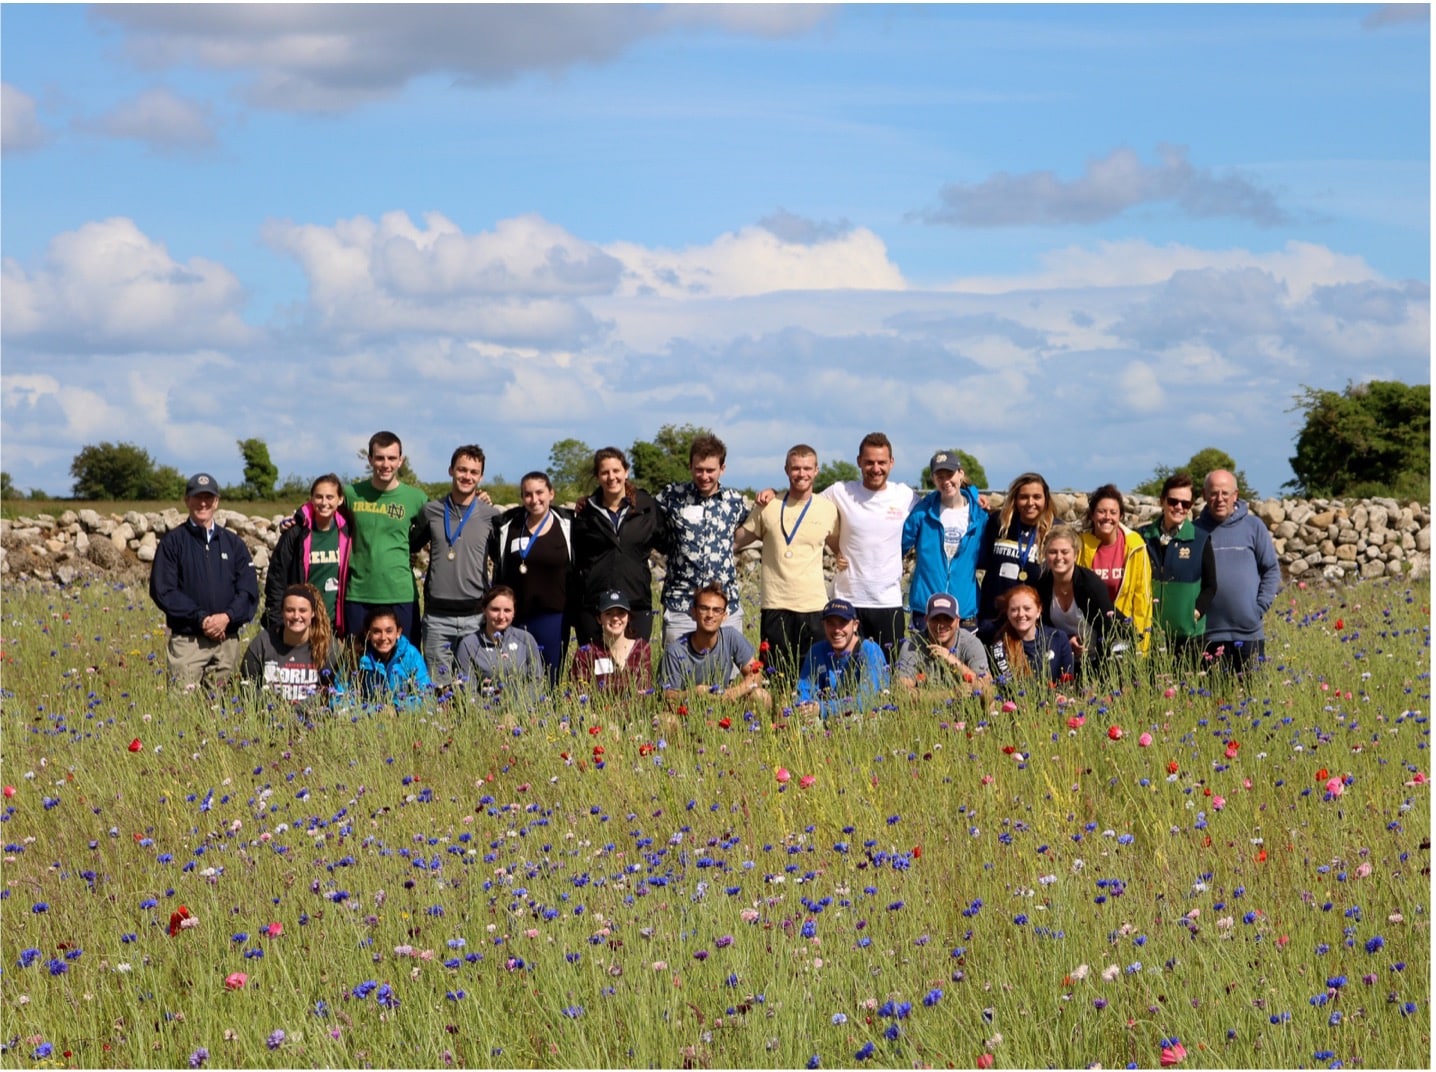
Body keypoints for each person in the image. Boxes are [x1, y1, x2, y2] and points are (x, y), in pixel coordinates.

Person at [734, 444, 841, 683]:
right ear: (786, 469)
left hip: (813, 607)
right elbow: (738, 541)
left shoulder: (828, 509)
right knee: (776, 676)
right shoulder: (768, 506)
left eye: (806, 468)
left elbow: (840, 548)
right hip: (776, 605)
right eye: (795, 468)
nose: (801, 474)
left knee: (815, 679)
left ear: (816, 471)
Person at [149, 472, 259, 690]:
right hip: (188, 642)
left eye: (208, 498)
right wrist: (202, 619)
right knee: (182, 709)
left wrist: (227, 617)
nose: (202, 503)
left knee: (220, 709)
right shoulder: (172, 543)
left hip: (226, 641)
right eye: (197, 497)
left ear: (216, 502)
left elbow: (248, 590)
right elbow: (164, 591)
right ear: (187, 500)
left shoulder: (233, 543)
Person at [817, 432, 918, 658]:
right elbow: (807, 509)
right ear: (859, 462)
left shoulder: (905, 495)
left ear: (891, 463)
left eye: (881, 462)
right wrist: (835, 548)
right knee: (846, 672)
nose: (875, 468)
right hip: (848, 600)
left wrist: (973, 495)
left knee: (888, 672)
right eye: (869, 462)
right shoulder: (840, 491)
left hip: (888, 601)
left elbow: (939, 505)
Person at [412, 445, 503, 684]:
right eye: (462, 470)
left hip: (475, 616)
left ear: (481, 476)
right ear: (451, 470)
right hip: (437, 617)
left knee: (472, 687)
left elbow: (500, 560)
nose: (467, 476)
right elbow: (409, 546)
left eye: (474, 472)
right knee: (438, 688)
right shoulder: (431, 511)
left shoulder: (490, 516)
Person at [654, 434, 752, 648]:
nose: (704, 476)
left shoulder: (735, 501)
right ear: (690, 466)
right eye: (699, 469)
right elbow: (640, 511)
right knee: (677, 675)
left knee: (729, 676)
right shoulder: (672, 496)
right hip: (682, 605)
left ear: (722, 468)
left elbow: (759, 524)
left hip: (725, 608)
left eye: (710, 470)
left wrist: (770, 495)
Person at [572, 447, 669, 645]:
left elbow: (668, 543)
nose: (611, 477)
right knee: (595, 670)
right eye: (605, 472)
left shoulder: (647, 507)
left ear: (626, 472)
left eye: (616, 471)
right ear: (597, 476)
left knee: (635, 669)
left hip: (636, 603)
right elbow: (575, 558)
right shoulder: (585, 511)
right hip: (595, 606)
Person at [343, 432, 428, 648]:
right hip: (359, 592)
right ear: (370, 459)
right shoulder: (351, 494)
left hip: (399, 592)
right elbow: (319, 504)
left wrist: (480, 499)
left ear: (401, 460)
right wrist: (293, 519)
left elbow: (446, 516)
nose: (386, 464)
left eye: (392, 458)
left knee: (404, 660)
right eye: (380, 458)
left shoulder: (416, 498)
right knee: (357, 663)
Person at [1194, 469, 1280, 673]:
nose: (1219, 499)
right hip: (1208, 636)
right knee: (1214, 702)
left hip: (1249, 634)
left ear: (1236, 495)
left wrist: (1258, 608)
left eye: (1225, 493)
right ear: (1205, 495)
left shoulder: (1254, 527)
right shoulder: (1194, 531)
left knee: (1254, 701)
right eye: (1214, 493)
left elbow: (1271, 570)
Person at [495, 471, 576, 685]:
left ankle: (549, 716)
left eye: (539, 493)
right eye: (528, 494)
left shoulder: (568, 524)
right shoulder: (508, 525)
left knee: (551, 677)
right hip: (517, 617)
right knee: (517, 676)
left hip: (554, 616)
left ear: (551, 493)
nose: (534, 499)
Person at [903, 451, 987, 634]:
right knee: (923, 662)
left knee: (961, 663)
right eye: (939, 476)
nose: (946, 481)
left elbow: (986, 558)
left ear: (961, 474)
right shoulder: (921, 513)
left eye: (950, 474)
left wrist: (973, 494)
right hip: (926, 609)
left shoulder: (980, 517)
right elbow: (896, 548)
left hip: (964, 610)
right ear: (933, 479)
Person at [1139, 473, 1217, 666]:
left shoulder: (1200, 539)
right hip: (1151, 637)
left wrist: (1195, 613)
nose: (1179, 507)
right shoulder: (1142, 537)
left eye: (1186, 503)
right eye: (1173, 501)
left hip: (1190, 639)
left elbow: (1211, 585)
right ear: (1162, 501)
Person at [659, 583, 768, 711]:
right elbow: (667, 696)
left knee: (761, 696)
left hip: (725, 707)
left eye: (717, 610)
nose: (710, 615)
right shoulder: (675, 650)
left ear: (725, 615)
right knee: (666, 721)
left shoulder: (731, 637)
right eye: (704, 608)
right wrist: (694, 693)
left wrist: (733, 693)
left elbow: (756, 675)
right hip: (688, 711)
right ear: (693, 612)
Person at [265, 474, 350, 639]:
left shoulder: (347, 533)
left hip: (333, 625)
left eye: (330, 497)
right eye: (318, 497)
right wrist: (276, 622)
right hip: (299, 621)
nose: (324, 502)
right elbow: (277, 577)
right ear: (311, 499)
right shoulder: (296, 533)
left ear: (340, 500)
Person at [1032, 526, 1119, 680]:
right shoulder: (1042, 585)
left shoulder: (1090, 585)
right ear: (1045, 554)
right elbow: (1041, 627)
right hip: (1063, 659)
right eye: (1053, 552)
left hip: (1100, 658)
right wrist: (1066, 638)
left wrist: (1104, 676)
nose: (1059, 557)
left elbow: (1110, 629)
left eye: (1065, 552)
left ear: (1076, 554)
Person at [976, 472, 1055, 642]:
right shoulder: (998, 523)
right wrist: (974, 495)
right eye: (1024, 497)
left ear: (1046, 500)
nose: (1030, 503)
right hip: (993, 619)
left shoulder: (1054, 531)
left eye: (1037, 497)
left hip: (1032, 624)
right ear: (1015, 499)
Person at [1076, 484, 1154, 655]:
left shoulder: (1135, 546)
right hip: (1089, 635)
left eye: (1113, 512)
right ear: (1092, 514)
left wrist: (1141, 644)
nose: (1107, 517)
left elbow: (1143, 599)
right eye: (1101, 511)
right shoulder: (1080, 545)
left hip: (1124, 634)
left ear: (1121, 515)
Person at [241, 583, 339, 706]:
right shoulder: (263, 643)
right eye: (290, 610)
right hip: (269, 717)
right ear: (282, 612)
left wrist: (304, 706)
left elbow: (334, 690)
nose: (296, 616)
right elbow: (246, 688)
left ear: (313, 613)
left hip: (313, 718)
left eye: (303, 610)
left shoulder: (327, 646)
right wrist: (277, 705)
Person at [796, 598, 891, 719]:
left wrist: (822, 708)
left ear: (855, 625)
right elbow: (803, 692)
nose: (837, 630)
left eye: (843, 622)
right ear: (823, 625)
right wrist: (804, 708)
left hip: (861, 719)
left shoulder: (870, 650)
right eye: (831, 623)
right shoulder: (816, 651)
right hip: (823, 720)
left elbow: (867, 700)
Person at [453, 586, 545, 698]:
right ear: (484, 610)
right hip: (485, 711)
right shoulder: (468, 644)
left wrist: (518, 709)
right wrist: (489, 713)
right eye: (495, 610)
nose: (501, 616)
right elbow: (467, 691)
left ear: (514, 612)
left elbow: (537, 681)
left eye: (507, 610)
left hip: (524, 710)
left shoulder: (525, 639)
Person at [893, 593, 989, 698]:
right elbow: (900, 692)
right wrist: (949, 695)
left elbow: (988, 691)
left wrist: (954, 662)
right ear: (926, 620)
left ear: (957, 621)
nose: (941, 625)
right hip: (927, 711)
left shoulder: (971, 643)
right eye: (935, 618)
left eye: (948, 618)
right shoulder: (912, 646)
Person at [986, 585, 1074, 686]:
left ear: (1038, 611)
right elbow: (1008, 688)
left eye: (1027, 608)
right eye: (1014, 610)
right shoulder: (999, 647)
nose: (1021, 614)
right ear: (1007, 613)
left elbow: (1068, 682)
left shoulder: (1058, 638)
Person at [570, 590, 654, 695]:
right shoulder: (586, 653)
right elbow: (577, 693)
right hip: (596, 711)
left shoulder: (641, 649)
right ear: (599, 618)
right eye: (608, 613)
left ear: (628, 617)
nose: (615, 618)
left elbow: (644, 691)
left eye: (621, 613)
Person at [354, 605, 431, 705]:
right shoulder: (356, 655)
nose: (383, 637)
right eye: (377, 631)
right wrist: (372, 711)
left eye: (389, 631)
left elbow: (427, 696)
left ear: (398, 632)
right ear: (368, 634)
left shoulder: (411, 655)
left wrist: (396, 708)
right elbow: (339, 698)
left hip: (405, 715)